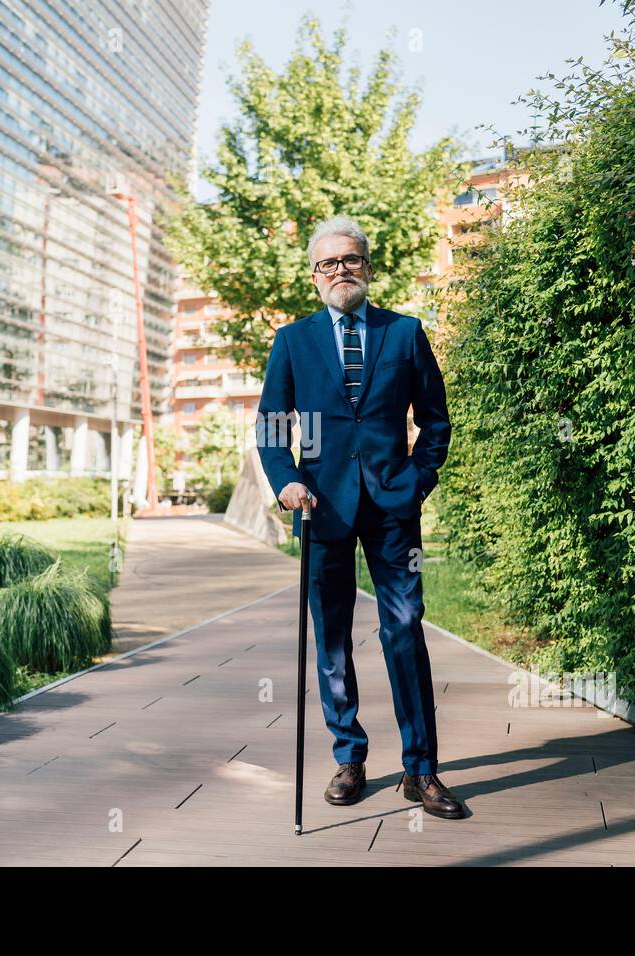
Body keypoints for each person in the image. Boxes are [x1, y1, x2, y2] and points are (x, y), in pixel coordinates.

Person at [255, 215, 464, 819]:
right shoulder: (292, 341)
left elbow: (436, 421)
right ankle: (349, 756)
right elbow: (273, 428)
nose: (339, 270)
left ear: (367, 268)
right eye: (328, 263)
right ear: (314, 276)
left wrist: (417, 481)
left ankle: (421, 769)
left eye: (350, 260)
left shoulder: (405, 334)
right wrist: (287, 480)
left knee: (404, 628)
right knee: (333, 636)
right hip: (320, 508)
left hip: (392, 508)